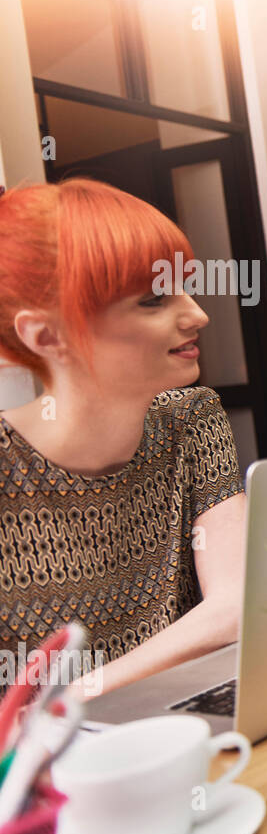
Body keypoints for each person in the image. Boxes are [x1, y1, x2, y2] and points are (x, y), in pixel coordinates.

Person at [0, 179, 245, 698]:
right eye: (154, 300)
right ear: (46, 337)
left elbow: (238, 605)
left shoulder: (192, 420)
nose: (197, 314)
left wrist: (73, 700)